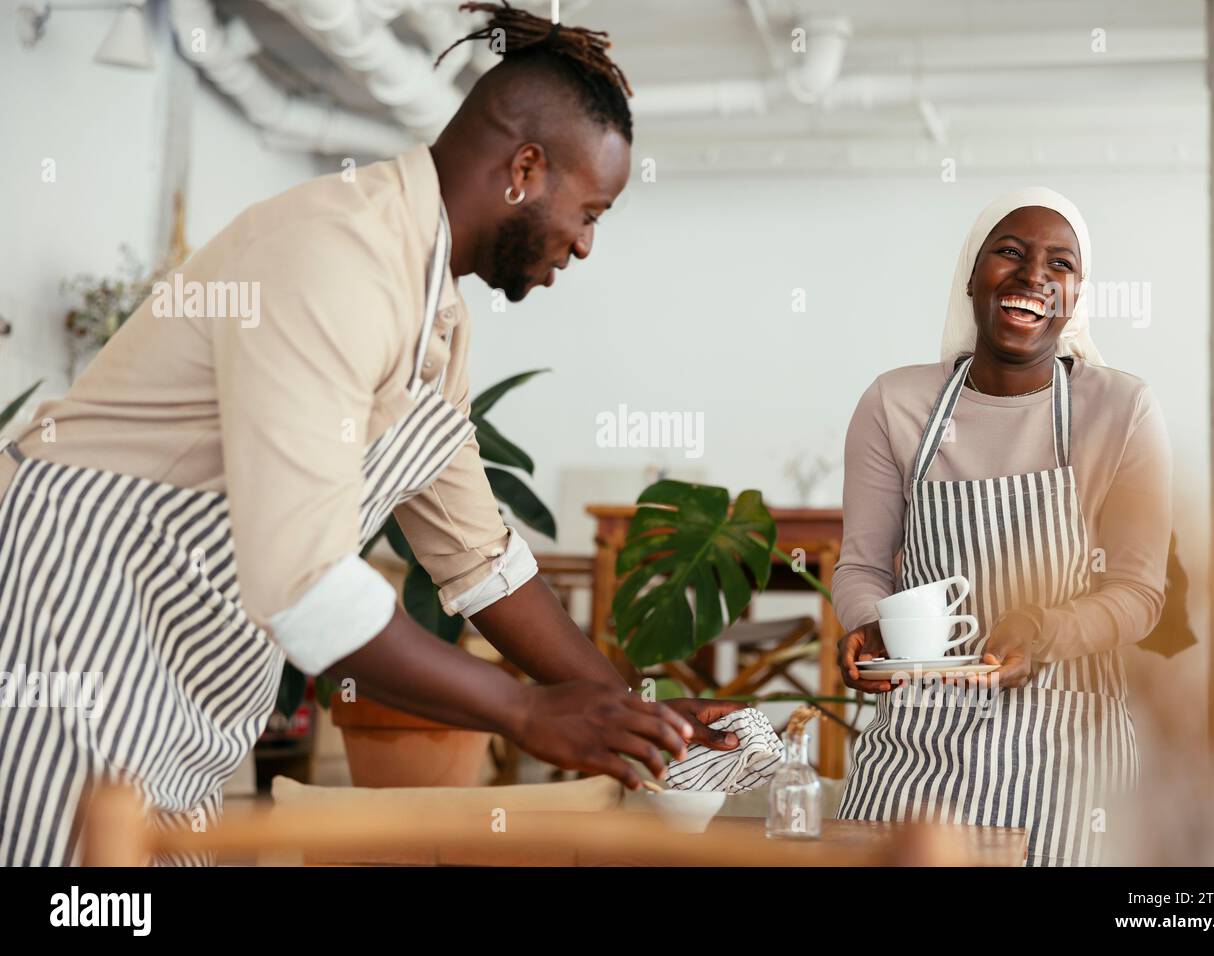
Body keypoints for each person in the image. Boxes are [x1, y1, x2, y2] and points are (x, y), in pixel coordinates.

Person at [0, 1, 740, 866]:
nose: (583, 245)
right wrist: (525, 711)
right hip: (63, 639)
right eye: (591, 212)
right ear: (525, 170)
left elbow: (482, 562)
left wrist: (632, 709)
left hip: (173, 689)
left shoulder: (435, 317)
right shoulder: (334, 256)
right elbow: (306, 583)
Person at [832, 188, 1173, 866]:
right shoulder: (895, 403)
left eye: (1061, 264)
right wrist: (871, 627)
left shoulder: (1123, 408)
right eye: (1009, 253)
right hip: (918, 753)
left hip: (1072, 763)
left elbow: (1139, 593)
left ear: (1078, 295)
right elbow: (863, 566)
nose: (1032, 277)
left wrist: (1044, 631)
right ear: (971, 274)